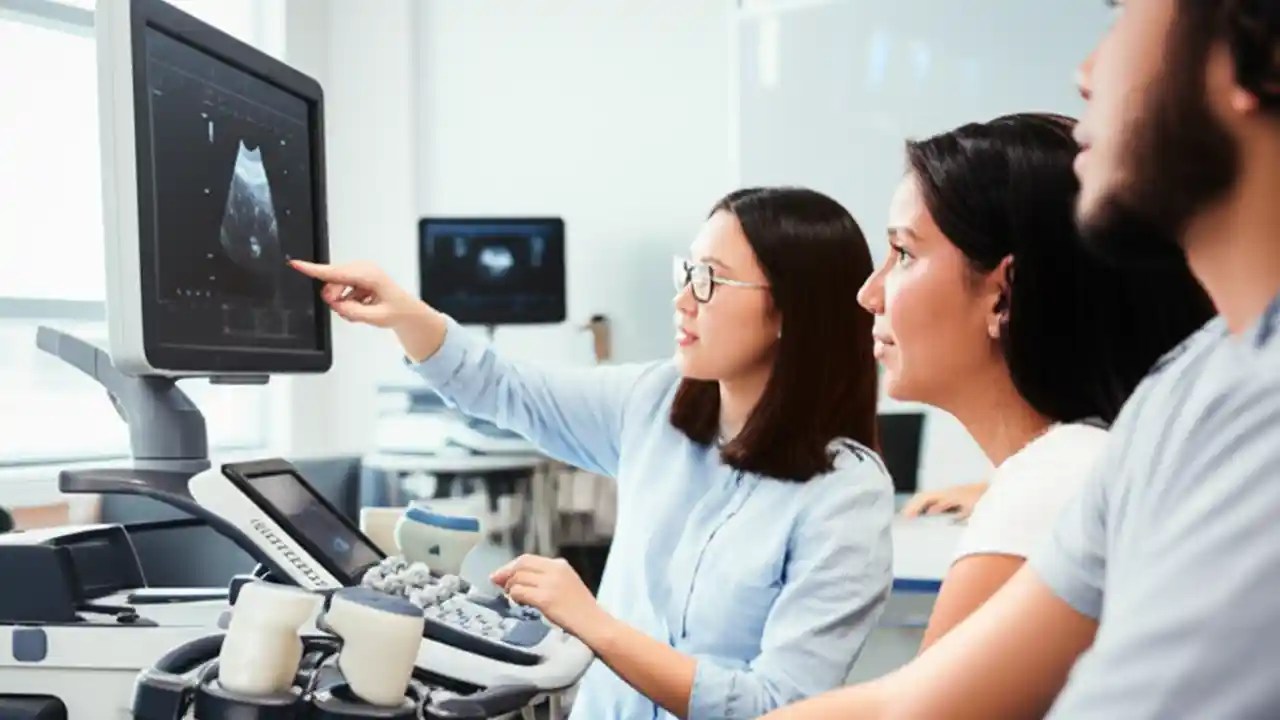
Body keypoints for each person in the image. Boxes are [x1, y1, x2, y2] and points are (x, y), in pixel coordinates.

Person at [762, 0, 1280, 717]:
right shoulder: (1185, 388)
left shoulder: (1228, 417)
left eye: (1125, 15)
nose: (1085, 71)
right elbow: (909, 706)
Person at [292, 187, 895, 720]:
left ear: (792, 311)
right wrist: (405, 313)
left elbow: (778, 708)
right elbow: (507, 389)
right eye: (686, 272)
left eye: (709, 279)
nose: (683, 299)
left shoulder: (845, 496)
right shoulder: (657, 403)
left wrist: (594, 624)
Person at [862, 112, 1212, 651]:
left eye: (904, 253)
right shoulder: (1077, 465)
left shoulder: (1048, 487)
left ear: (1002, 294)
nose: (870, 292)